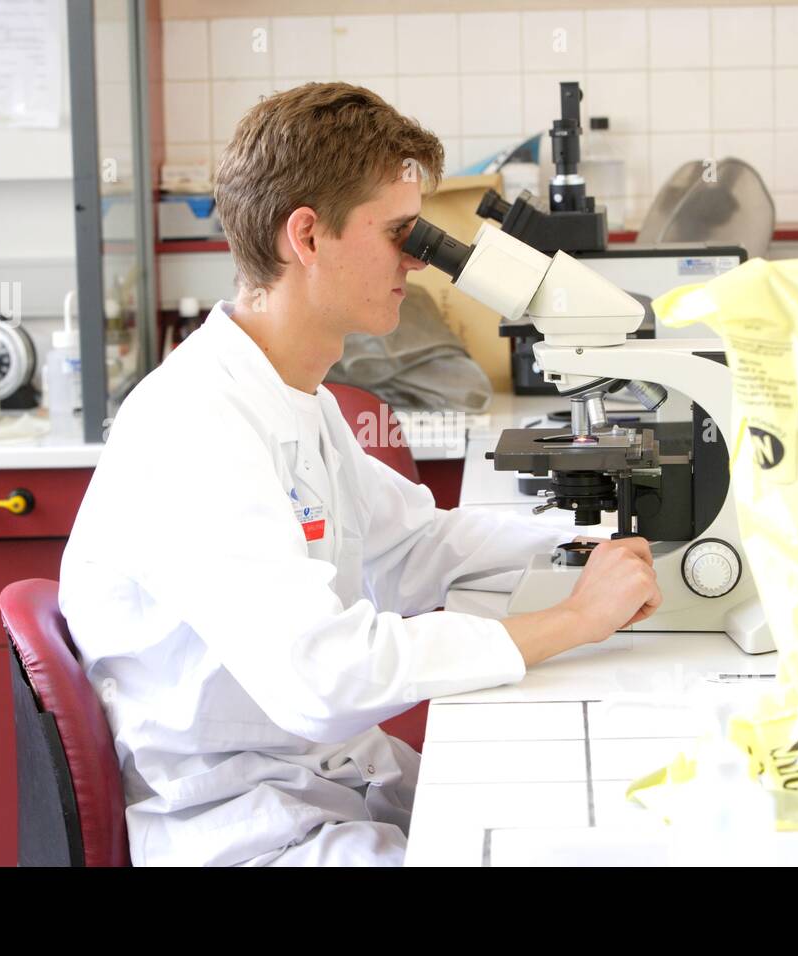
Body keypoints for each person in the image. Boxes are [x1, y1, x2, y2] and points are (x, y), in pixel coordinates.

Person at [58, 82, 661, 867]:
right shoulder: (194, 427)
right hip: (239, 825)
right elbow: (323, 676)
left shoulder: (293, 396)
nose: (418, 260)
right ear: (306, 236)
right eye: (399, 233)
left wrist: (590, 539)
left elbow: (412, 547)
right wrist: (572, 622)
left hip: (319, 784)